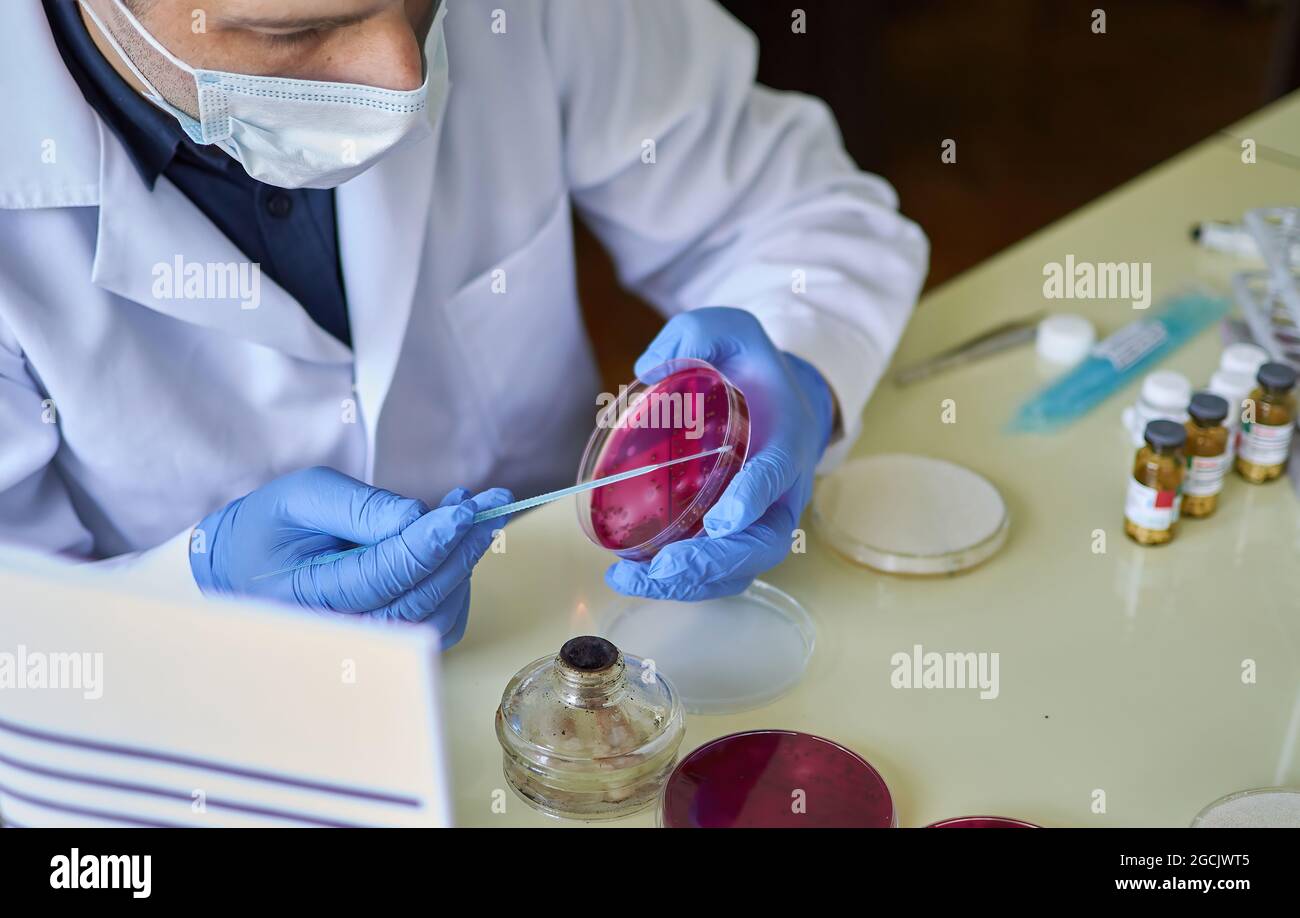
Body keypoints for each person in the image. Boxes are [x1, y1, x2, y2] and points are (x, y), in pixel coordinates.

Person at [0, 0, 927, 647]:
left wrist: (797, 378)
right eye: (301, 30)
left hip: (571, 641)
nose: (402, 72)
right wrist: (196, 606)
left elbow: (796, 213)